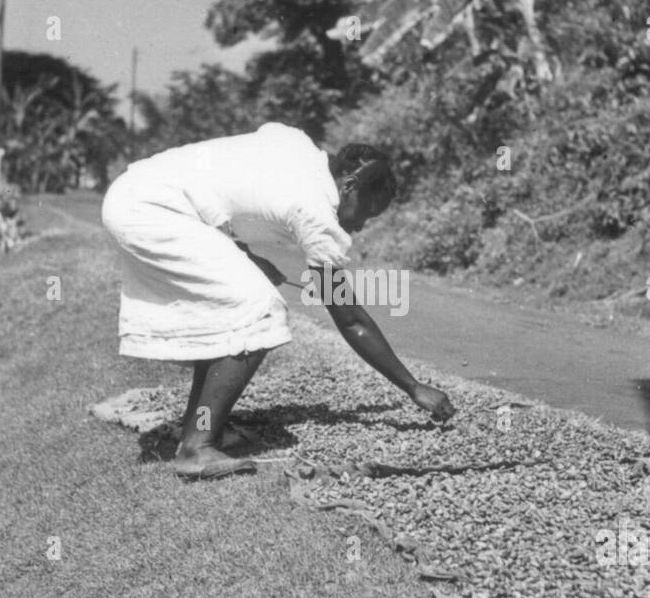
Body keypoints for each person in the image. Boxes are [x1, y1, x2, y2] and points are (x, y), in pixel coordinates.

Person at [101, 121, 454, 480]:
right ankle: (195, 449)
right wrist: (413, 387)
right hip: (152, 211)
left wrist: (247, 257)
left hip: (136, 193)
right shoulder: (315, 210)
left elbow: (224, 185)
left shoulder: (298, 145)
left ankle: (205, 428)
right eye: (365, 214)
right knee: (259, 309)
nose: (361, 226)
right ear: (348, 187)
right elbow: (351, 320)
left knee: (231, 309)